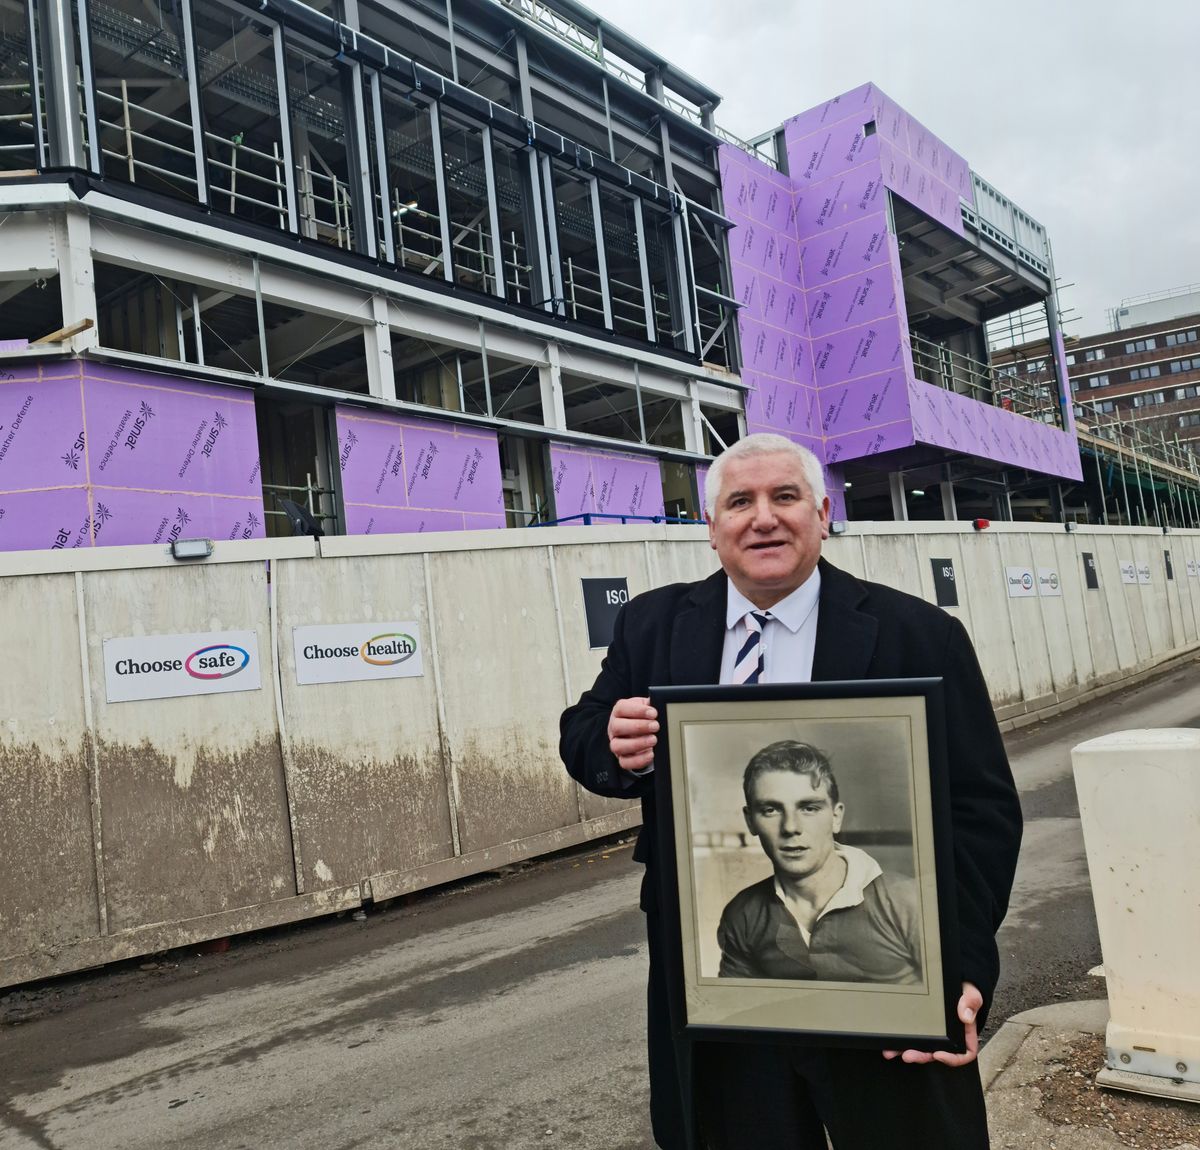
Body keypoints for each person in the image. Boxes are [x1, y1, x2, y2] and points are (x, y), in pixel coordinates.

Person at [560, 432, 1022, 1149]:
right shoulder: (652, 624)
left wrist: (960, 966)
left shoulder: (920, 635)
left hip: (888, 987)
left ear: (823, 513)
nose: (763, 518)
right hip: (724, 989)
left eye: (785, 496)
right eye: (739, 502)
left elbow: (980, 811)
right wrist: (615, 746)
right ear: (712, 526)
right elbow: (585, 730)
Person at [717, 740, 922, 986]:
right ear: (750, 821)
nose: (790, 827)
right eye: (771, 810)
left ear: (836, 817)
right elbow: (732, 1007)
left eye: (809, 808)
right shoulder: (743, 913)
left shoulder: (906, 901)